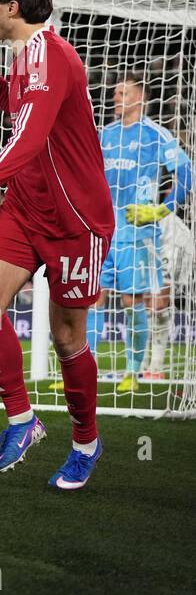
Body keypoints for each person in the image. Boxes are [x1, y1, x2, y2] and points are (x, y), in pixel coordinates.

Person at [0, 0, 114, 490]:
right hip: (26, 208)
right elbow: (19, 108)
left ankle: (85, 440)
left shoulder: (52, 54)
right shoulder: (24, 59)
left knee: (66, 338)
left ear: (12, 7)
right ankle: (22, 420)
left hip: (74, 220)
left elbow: (32, 136)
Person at [88, 76, 192, 389]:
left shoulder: (155, 134)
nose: (116, 97)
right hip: (102, 231)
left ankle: (132, 372)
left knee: (133, 300)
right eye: (115, 92)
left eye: (123, 92)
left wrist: (161, 210)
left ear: (140, 98)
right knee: (92, 298)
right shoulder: (104, 134)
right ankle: (87, 368)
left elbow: (187, 174)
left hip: (136, 232)